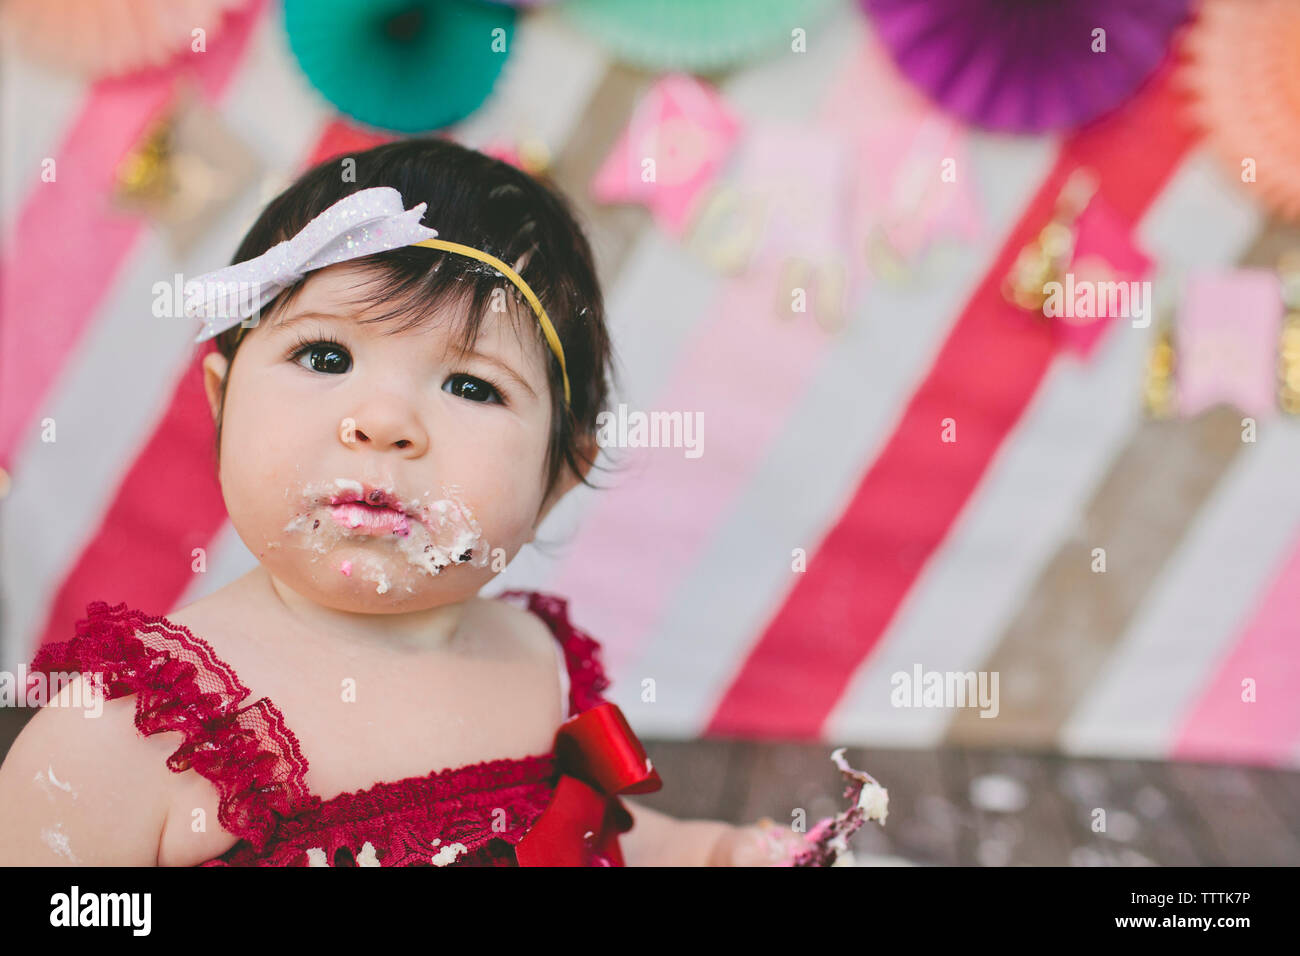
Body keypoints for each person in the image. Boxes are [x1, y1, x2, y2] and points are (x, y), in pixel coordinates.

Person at [0, 138, 802, 867]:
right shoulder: (131, 737)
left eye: (470, 385)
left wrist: (715, 851)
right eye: (324, 354)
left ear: (558, 479)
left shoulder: (536, 664)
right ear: (222, 403)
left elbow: (596, 837)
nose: (382, 422)